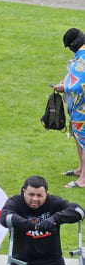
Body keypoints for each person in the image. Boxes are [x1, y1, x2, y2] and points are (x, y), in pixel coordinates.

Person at [0, 175, 84, 265]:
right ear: (24, 191)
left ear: (47, 194)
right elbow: (4, 218)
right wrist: (28, 224)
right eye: (31, 194)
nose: (35, 199)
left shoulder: (53, 203)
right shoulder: (15, 202)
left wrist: (55, 218)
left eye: (40, 195)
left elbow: (79, 211)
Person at [58, 29, 85, 187]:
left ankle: (83, 180)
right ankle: (81, 169)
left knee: (84, 137)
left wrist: (65, 87)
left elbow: (80, 83)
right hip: (80, 105)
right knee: (78, 134)